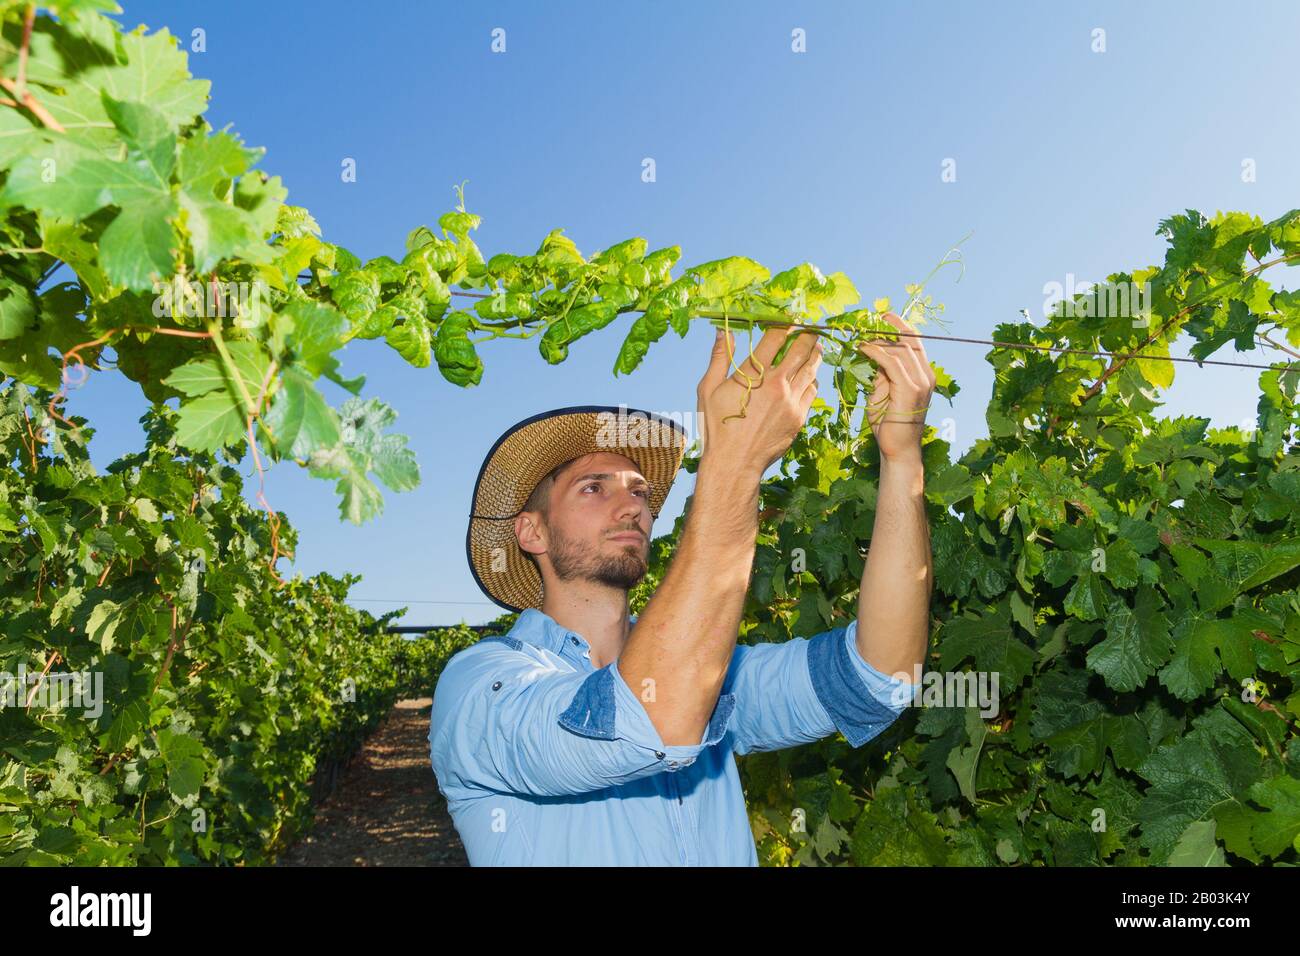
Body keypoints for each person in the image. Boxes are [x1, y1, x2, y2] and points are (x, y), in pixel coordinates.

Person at [429, 315, 935, 865]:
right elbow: (644, 718)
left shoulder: (709, 672)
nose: (632, 506)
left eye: (640, 491)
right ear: (531, 531)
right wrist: (736, 465)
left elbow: (881, 676)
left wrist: (901, 457)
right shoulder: (480, 687)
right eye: (593, 487)